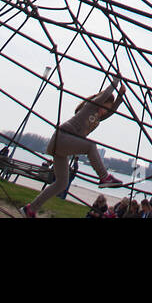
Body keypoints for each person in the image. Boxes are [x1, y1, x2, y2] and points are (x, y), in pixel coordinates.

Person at [20, 74, 125, 218]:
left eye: (106, 109)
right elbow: (104, 95)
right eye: (105, 107)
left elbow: (111, 112)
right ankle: (104, 177)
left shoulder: (98, 117)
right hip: (62, 138)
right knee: (90, 146)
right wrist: (115, 83)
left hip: (62, 147)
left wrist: (120, 96)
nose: (104, 111)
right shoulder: (90, 107)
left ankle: (30, 209)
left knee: (62, 183)